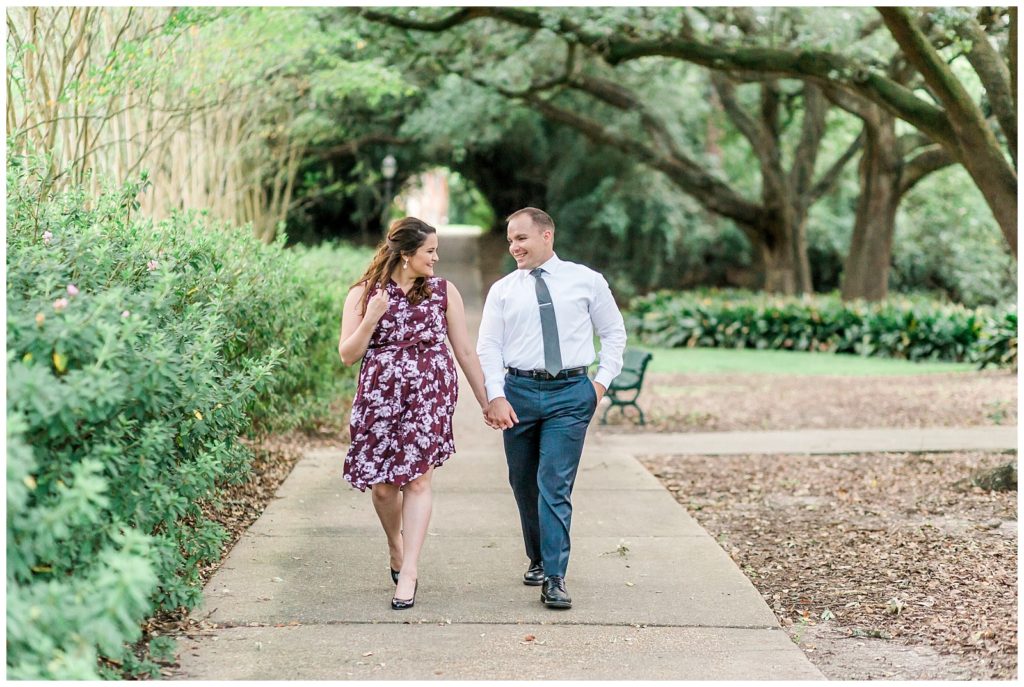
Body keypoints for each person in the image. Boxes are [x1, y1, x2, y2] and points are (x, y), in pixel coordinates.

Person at [477, 207, 626, 609]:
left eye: (521, 238)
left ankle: (556, 577)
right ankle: (538, 558)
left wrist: (598, 385)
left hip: (570, 394)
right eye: (510, 240)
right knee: (523, 482)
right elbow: (488, 346)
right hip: (519, 392)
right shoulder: (503, 290)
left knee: (554, 484)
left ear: (547, 236)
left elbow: (613, 334)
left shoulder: (587, 281)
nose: (513, 247)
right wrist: (496, 395)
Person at [338, 216, 490, 610]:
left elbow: (465, 351)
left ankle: (410, 571)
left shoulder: (442, 292)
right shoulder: (362, 294)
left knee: (418, 481)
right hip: (379, 398)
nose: (437, 258)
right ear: (406, 255)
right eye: (430, 251)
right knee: (384, 487)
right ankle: (396, 545)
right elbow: (347, 354)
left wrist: (486, 400)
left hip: (430, 394)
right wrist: (372, 316)